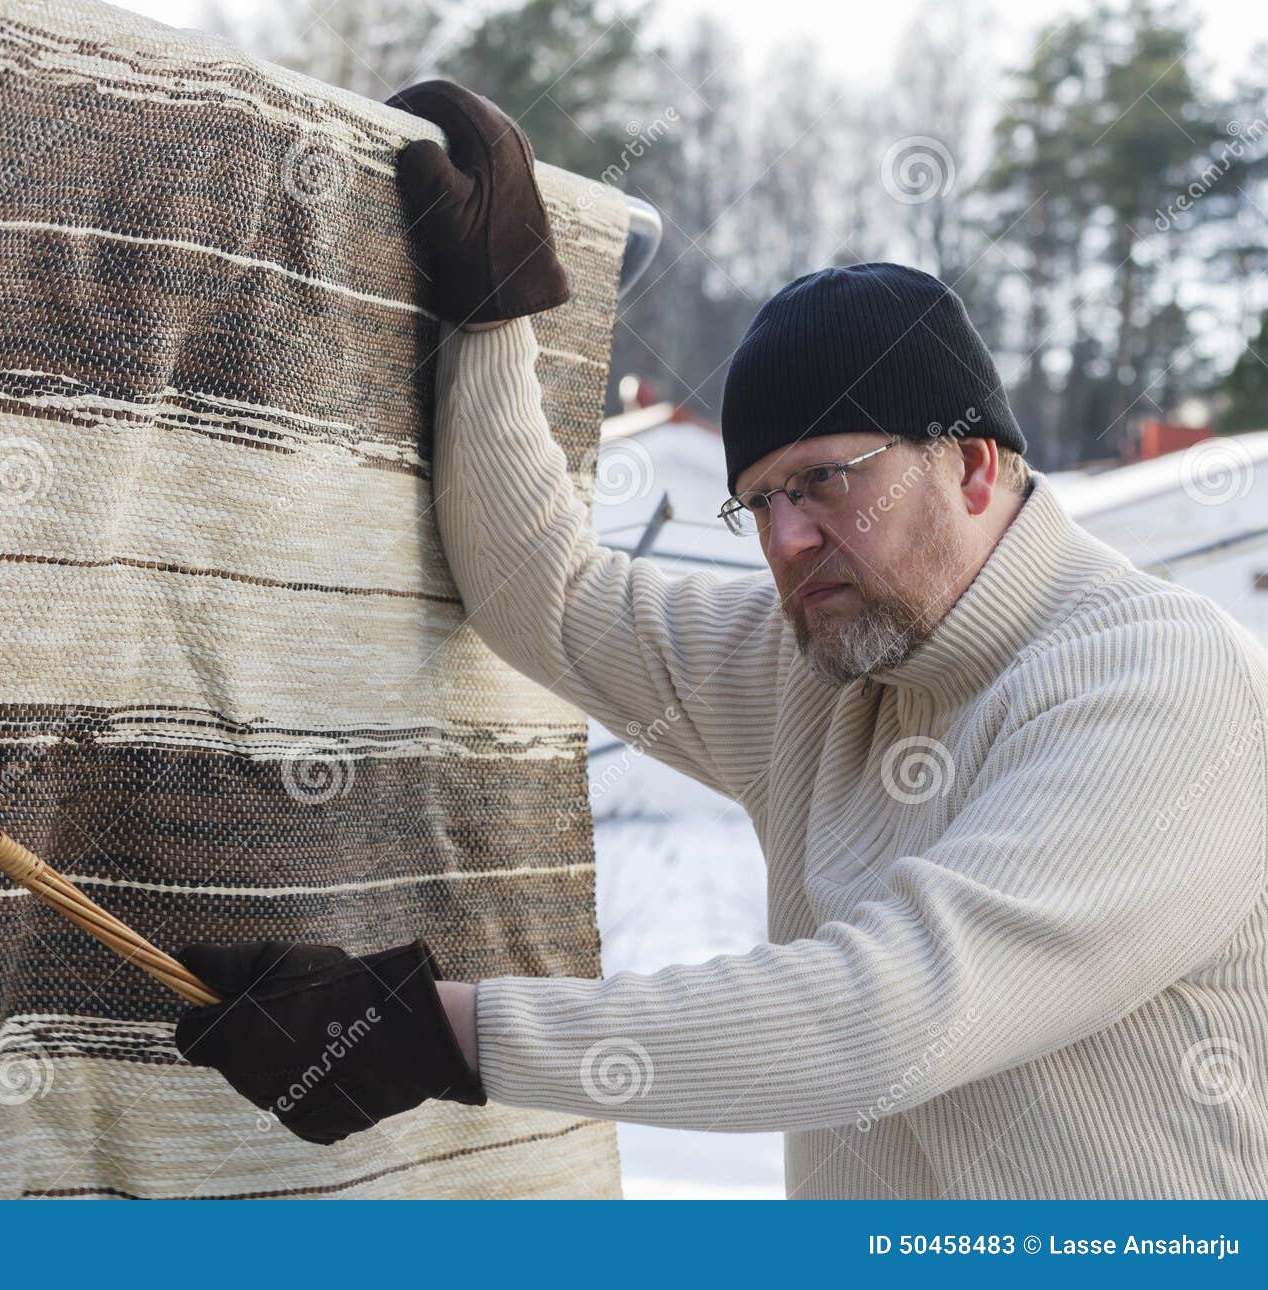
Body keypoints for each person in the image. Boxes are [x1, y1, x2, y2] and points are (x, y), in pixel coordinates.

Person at [174, 80, 1268, 1200]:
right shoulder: (829, 665)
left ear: (973, 464)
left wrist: (436, 1034)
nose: (788, 540)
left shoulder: (1159, 683)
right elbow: (542, 594)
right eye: (757, 503)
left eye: (825, 483)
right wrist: (493, 318)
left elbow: (887, 1018)